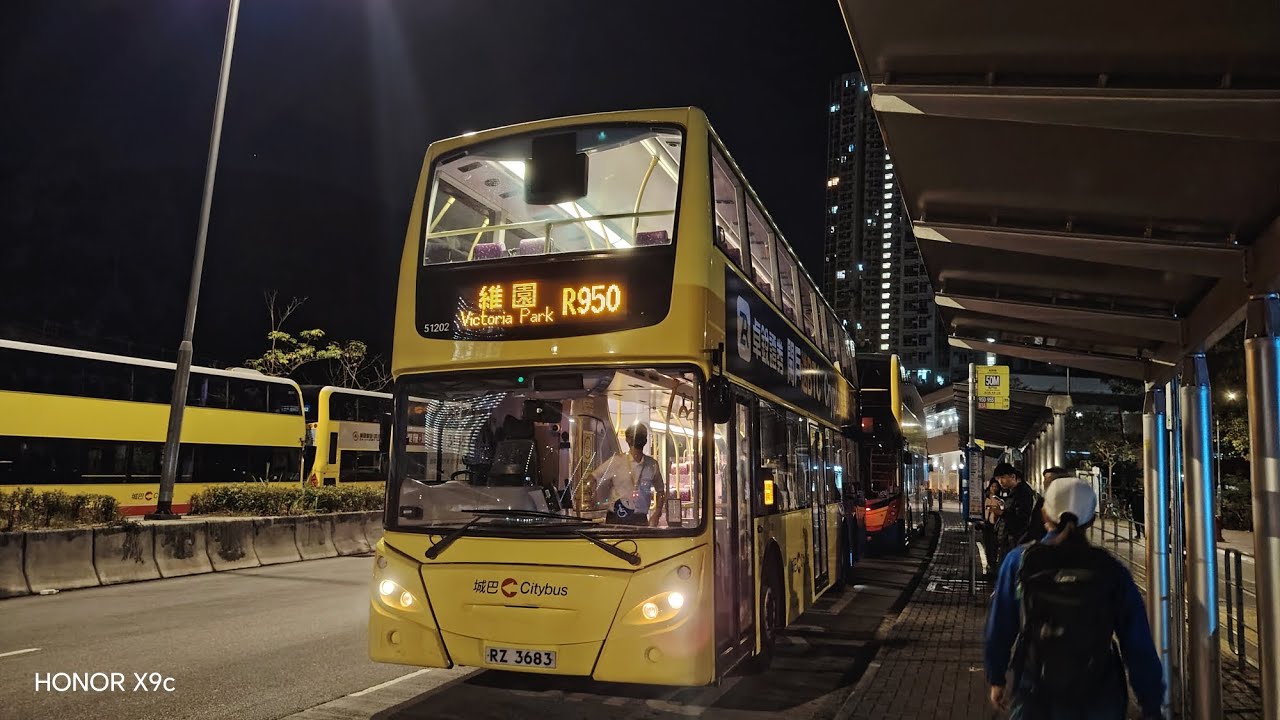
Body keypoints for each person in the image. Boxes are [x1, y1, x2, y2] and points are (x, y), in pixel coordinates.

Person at [984, 477, 1164, 719]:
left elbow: (1000, 628)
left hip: (1035, 694)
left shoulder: (1019, 562)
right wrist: (1151, 704)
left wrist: (997, 678)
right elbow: (1138, 644)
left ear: (1045, 514)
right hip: (1099, 699)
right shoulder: (1110, 569)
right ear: (1091, 519)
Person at [590, 423, 666, 527]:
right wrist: (592, 498)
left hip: (640, 519)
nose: (640, 437)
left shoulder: (652, 464)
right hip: (617, 517)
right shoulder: (617, 461)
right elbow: (593, 477)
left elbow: (661, 491)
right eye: (638, 434)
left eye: (642, 435)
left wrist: (657, 514)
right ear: (628, 439)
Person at [989, 463, 1035, 565]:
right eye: (998, 479)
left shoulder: (1022, 492)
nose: (1000, 482)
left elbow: (1022, 519)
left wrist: (1001, 512)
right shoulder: (1014, 492)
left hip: (1015, 541)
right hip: (1009, 541)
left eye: (1002, 478)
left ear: (1013, 476)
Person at [1020, 467, 1070, 545]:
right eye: (1045, 478)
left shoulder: (1068, 503)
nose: (1045, 482)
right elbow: (1034, 526)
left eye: (1050, 478)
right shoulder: (1042, 501)